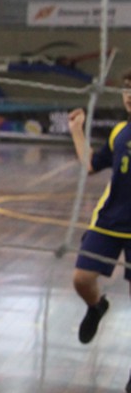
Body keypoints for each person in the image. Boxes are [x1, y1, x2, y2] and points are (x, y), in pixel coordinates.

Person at [66, 71, 131, 347]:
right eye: (127, 89)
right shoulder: (120, 131)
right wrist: (77, 131)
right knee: (81, 279)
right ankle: (96, 306)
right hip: (110, 220)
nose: (129, 95)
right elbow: (92, 165)